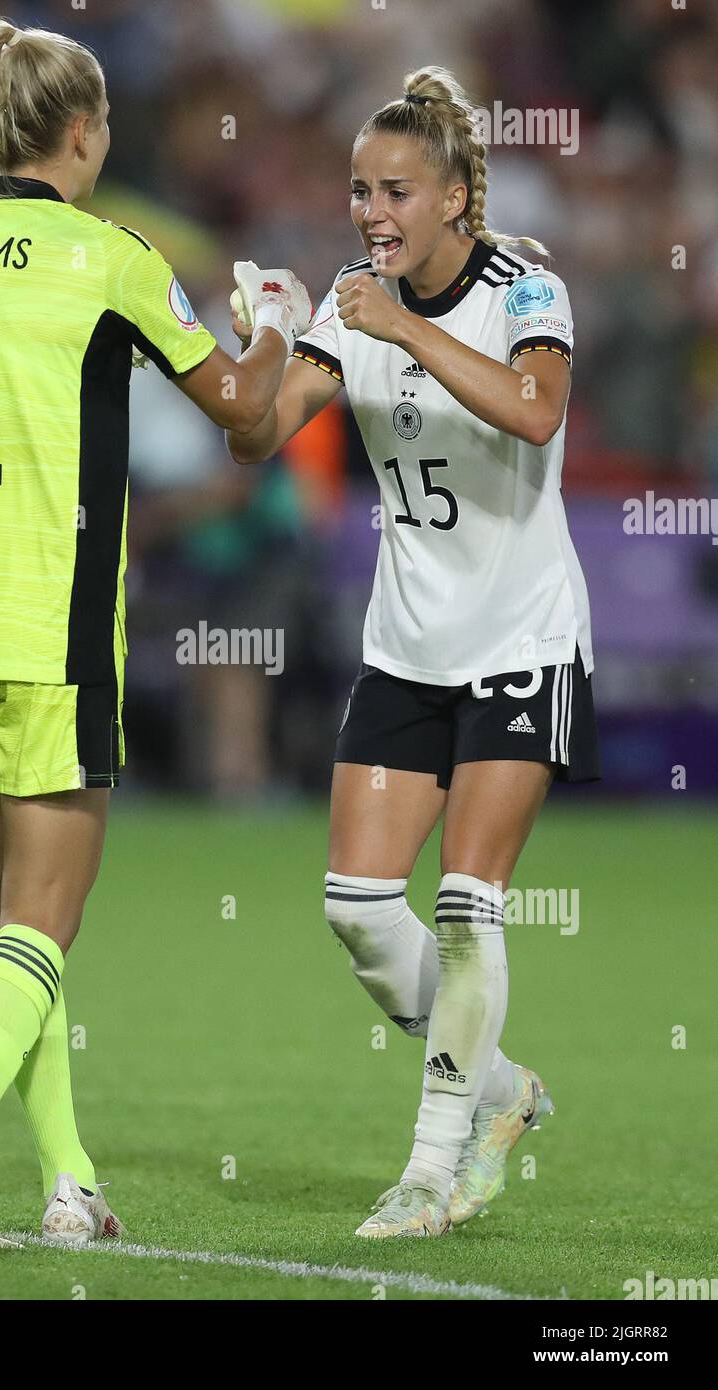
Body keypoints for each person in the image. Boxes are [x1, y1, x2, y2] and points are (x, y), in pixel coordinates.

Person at [0, 17, 310, 1250]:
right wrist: (271, 317)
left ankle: (68, 1182)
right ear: (82, 132)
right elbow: (244, 415)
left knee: (17, 933)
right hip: (47, 615)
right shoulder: (109, 252)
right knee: (44, 925)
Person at [226, 66, 598, 1238]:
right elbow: (260, 431)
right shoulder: (354, 300)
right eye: (357, 191)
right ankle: (501, 1094)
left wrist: (401, 329)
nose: (371, 213)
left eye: (394, 191)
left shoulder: (529, 289)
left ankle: (432, 1173)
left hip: (520, 641)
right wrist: (279, 322)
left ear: (453, 201)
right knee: (355, 907)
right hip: (408, 645)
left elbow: (538, 414)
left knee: (465, 901)